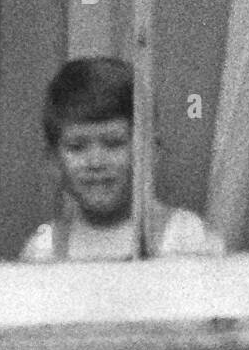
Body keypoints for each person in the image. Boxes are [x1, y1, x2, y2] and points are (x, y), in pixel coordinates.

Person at [17, 56, 223, 262]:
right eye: (77, 147)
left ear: (150, 153)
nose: (96, 162)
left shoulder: (188, 239)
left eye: (113, 143)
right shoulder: (43, 251)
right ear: (53, 161)